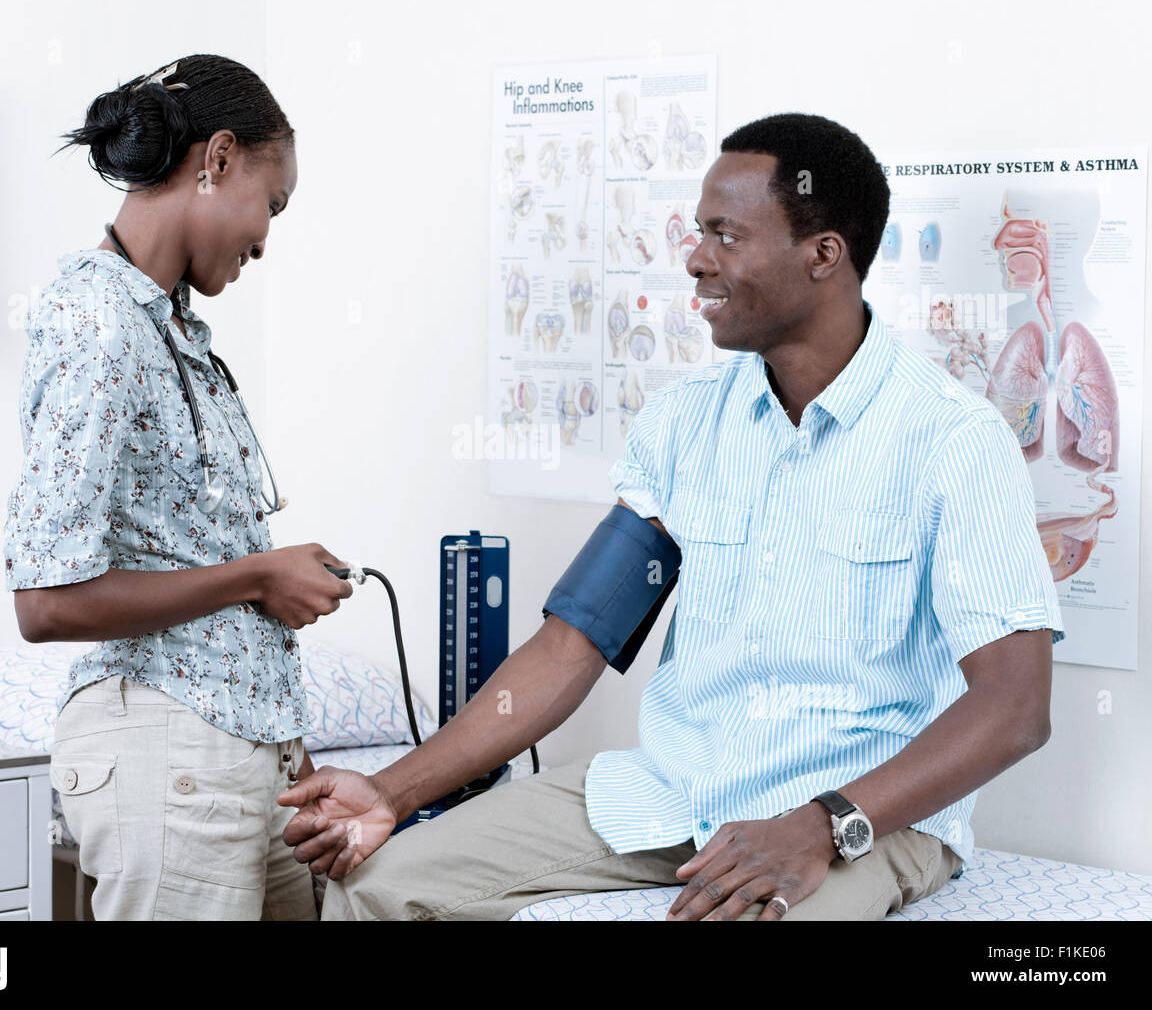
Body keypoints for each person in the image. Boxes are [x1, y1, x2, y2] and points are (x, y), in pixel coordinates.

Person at [280, 113, 1066, 921]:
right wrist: (389, 790)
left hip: (860, 819)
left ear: (823, 254)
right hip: (675, 790)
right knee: (381, 889)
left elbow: (1013, 708)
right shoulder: (684, 423)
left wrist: (822, 825)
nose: (696, 260)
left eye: (726, 235)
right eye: (700, 233)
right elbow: (572, 643)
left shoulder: (954, 442)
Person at [2, 54, 353, 921]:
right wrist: (261, 576)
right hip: (168, 758)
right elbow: (45, 601)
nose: (266, 239)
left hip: (244, 760)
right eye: (271, 206)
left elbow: (192, 562)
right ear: (219, 159)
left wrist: (288, 752)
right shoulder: (98, 317)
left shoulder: (172, 330)